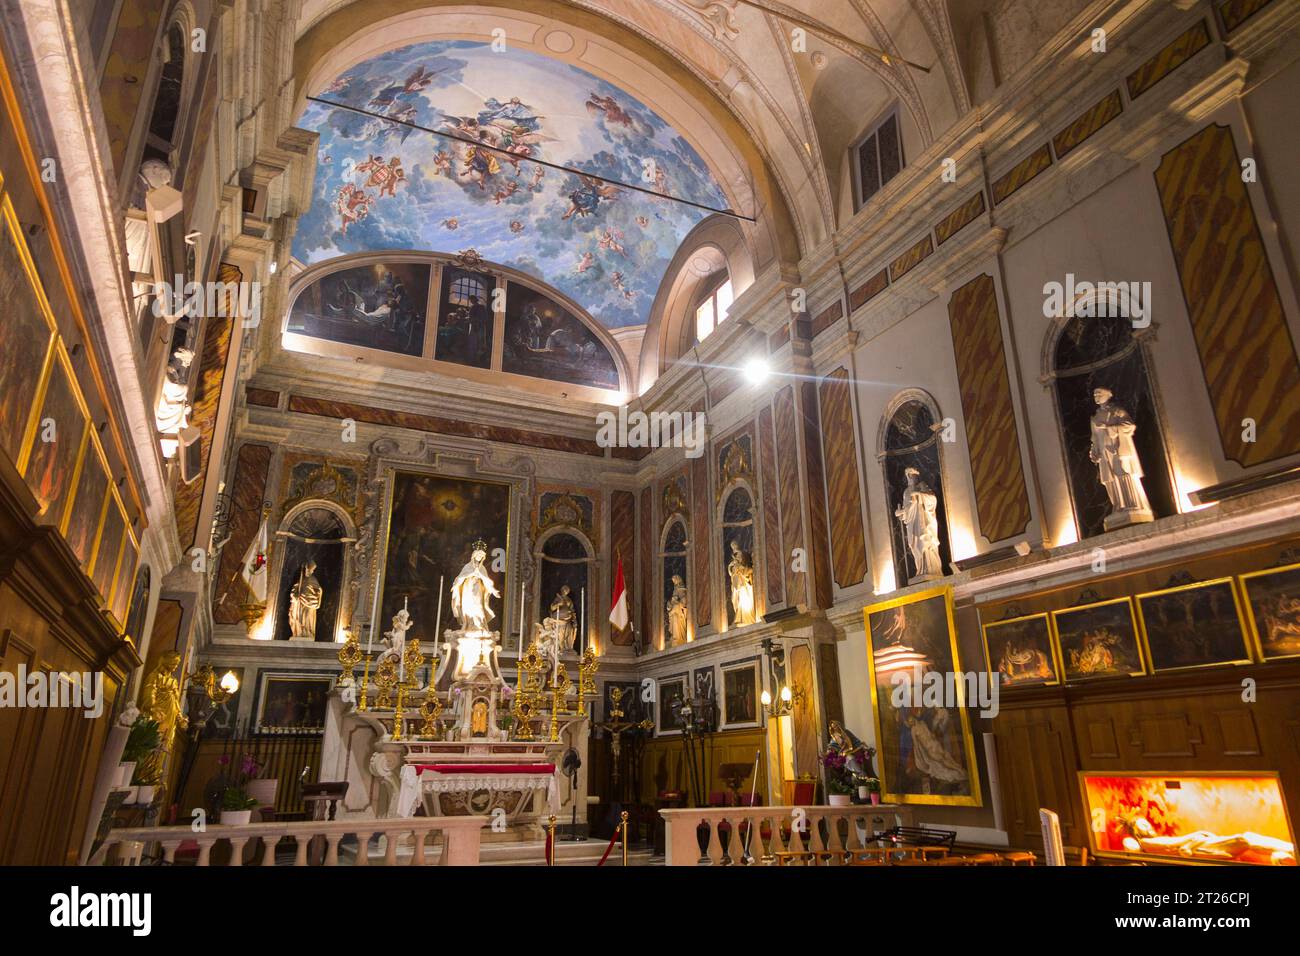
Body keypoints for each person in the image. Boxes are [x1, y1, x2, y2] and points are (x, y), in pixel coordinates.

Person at [451, 539, 499, 632]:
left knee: (478, 607)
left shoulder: (482, 568)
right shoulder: (468, 566)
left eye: (481, 556)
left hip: (478, 590)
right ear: (474, 554)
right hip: (468, 589)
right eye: (478, 554)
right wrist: (456, 585)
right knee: (468, 607)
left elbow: (487, 581)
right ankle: (468, 625)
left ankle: (479, 626)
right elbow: (460, 577)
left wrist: (493, 590)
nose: (480, 557)